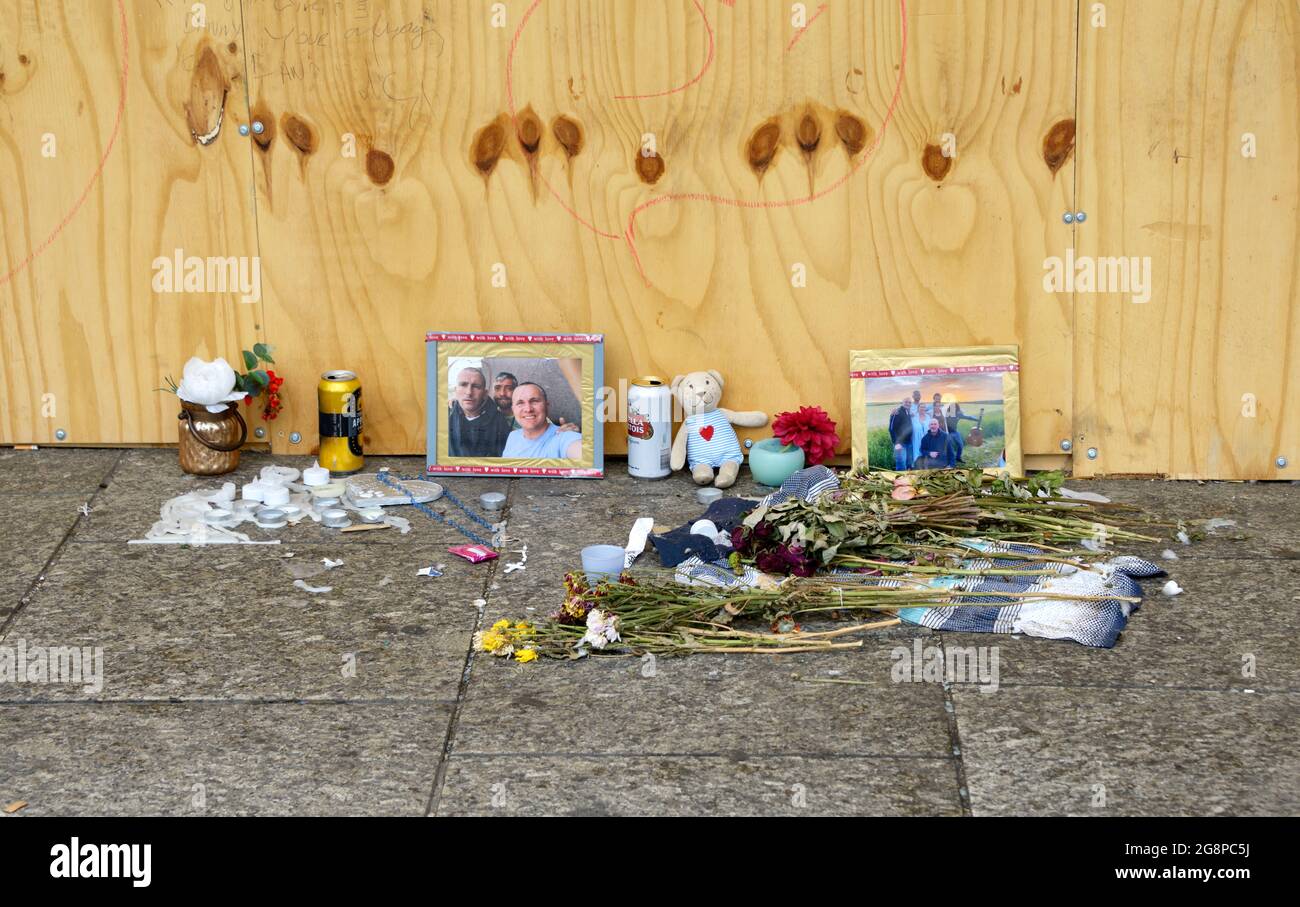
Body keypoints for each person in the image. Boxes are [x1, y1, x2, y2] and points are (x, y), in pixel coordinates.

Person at [502, 382, 583, 459]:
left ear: (546, 406)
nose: (528, 409)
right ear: (513, 410)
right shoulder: (513, 436)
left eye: (534, 401)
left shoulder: (564, 436)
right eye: (520, 403)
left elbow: (584, 454)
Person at [448, 366, 511, 457]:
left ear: (485, 393)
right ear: (455, 390)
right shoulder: (443, 416)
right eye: (463, 385)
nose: (469, 392)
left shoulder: (500, 422)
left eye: (476, 386)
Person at [888, 396, 914, 470]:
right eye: (906, 402)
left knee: (908, 463)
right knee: (901, 465)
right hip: (900, 444)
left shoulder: (907, 412)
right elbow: (891, 429)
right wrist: (897, 443)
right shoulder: (897, 412)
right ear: (902, 403)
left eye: (909, 402)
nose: (908, 404)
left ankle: (908, 479)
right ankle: (900, 480)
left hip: (908, 442)